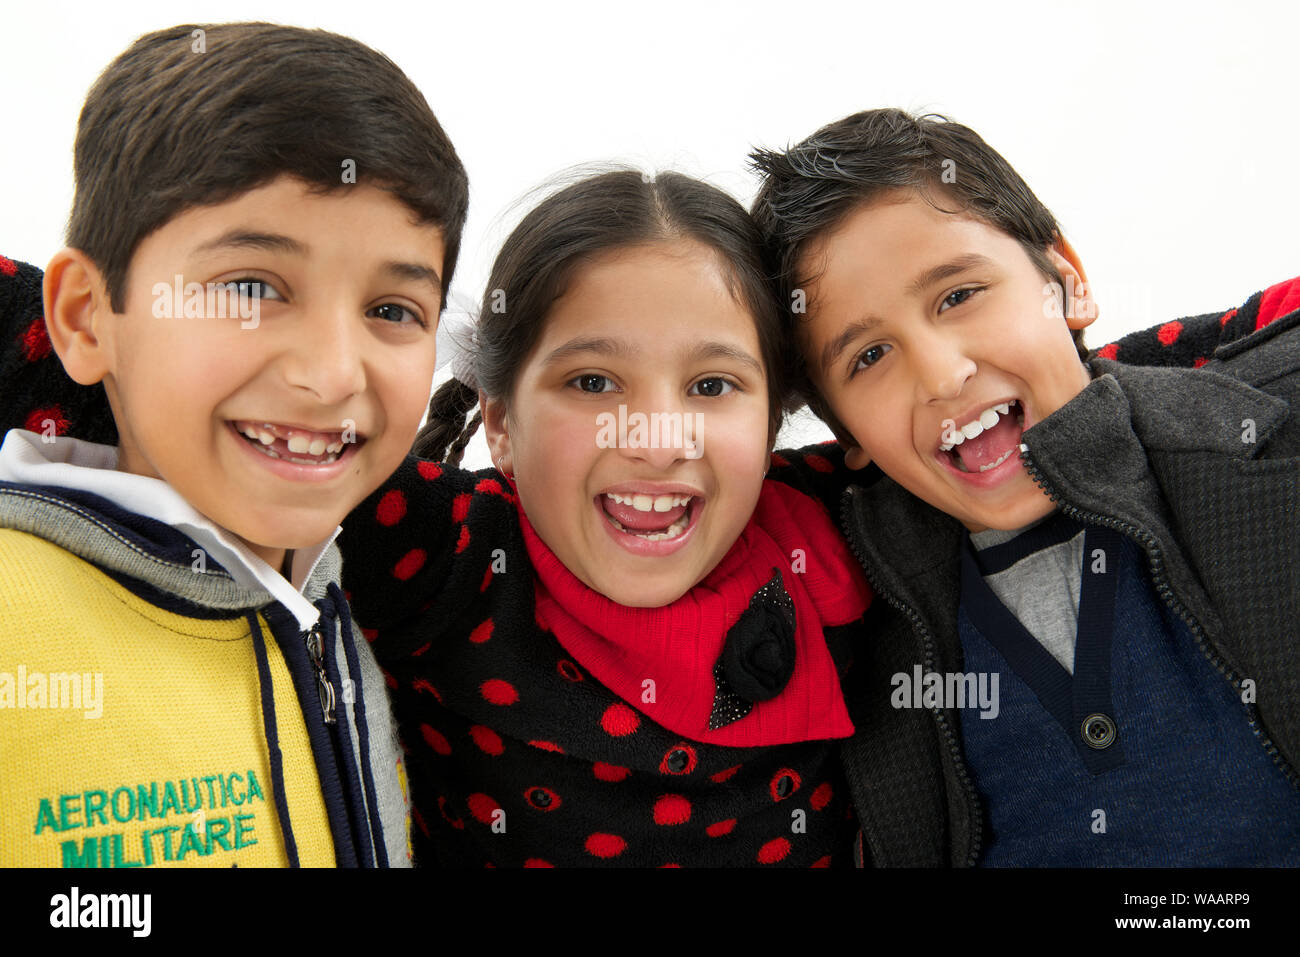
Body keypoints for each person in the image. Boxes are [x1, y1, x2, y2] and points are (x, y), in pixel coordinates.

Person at [749, 108, 1300, 865]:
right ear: (844, 434)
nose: (942, 374)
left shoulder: (1255, 439)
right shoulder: (842, 601)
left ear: (1067, 281)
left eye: (957, 295)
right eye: (870, 354)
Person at [0, 20, 469, 868]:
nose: (332, 375)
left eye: (392, 310)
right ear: (84, 316)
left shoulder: (353, 604)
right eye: (253, 286)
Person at [337, 169, 874, 866]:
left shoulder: (841, 523)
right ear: (501, 422)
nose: (655, 441)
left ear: (772, 419)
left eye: (712, 385)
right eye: (592, 382)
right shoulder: (443, 552)